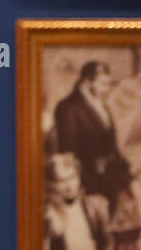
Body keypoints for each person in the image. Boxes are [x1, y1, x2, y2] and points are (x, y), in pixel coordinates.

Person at [53, 61, 132, 217]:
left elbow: (110, 143)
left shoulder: (101, 105)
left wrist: (122, 165)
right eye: (103, 83)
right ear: (87, 82)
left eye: (109, 84)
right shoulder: (68, 107)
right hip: (88, 180)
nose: (107, 88)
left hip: (110, 174)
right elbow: (68, 151)